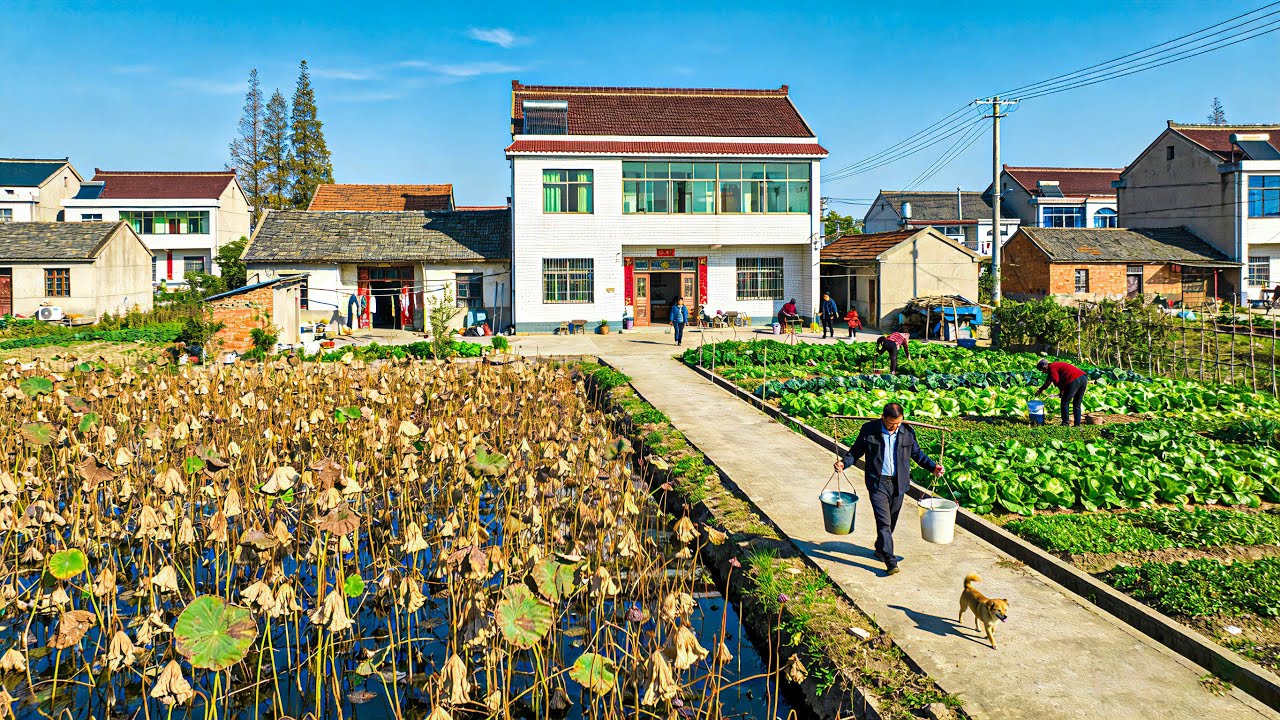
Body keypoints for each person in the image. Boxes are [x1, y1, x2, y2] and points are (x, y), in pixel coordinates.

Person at [833, 403, 943, 575]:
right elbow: (856, 452)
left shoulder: (907, 431)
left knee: (890, 523)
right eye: (892, 424)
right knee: (883, 522)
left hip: (899, 483)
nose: (895, 427)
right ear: (883, 417)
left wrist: (933, 467)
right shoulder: (869, 430)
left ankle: (880, 548)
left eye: (898, 423)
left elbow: (917, 454)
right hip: (878, 483)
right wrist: (843, 463)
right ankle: (890, 561)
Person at [1034, 359, 1088, 427]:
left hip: (1074, 379)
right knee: (1077, 403)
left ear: (1044, 367)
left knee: (1065, 402)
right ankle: (1077, 424)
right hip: (1083, 378)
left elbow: (1054, 380)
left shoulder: (1051, 368)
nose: (1043, 372)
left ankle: (1065, 423)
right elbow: (1055, 380)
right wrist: (1061, 390)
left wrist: (1040, 390)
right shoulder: (1054, 366)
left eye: (1042, 370)